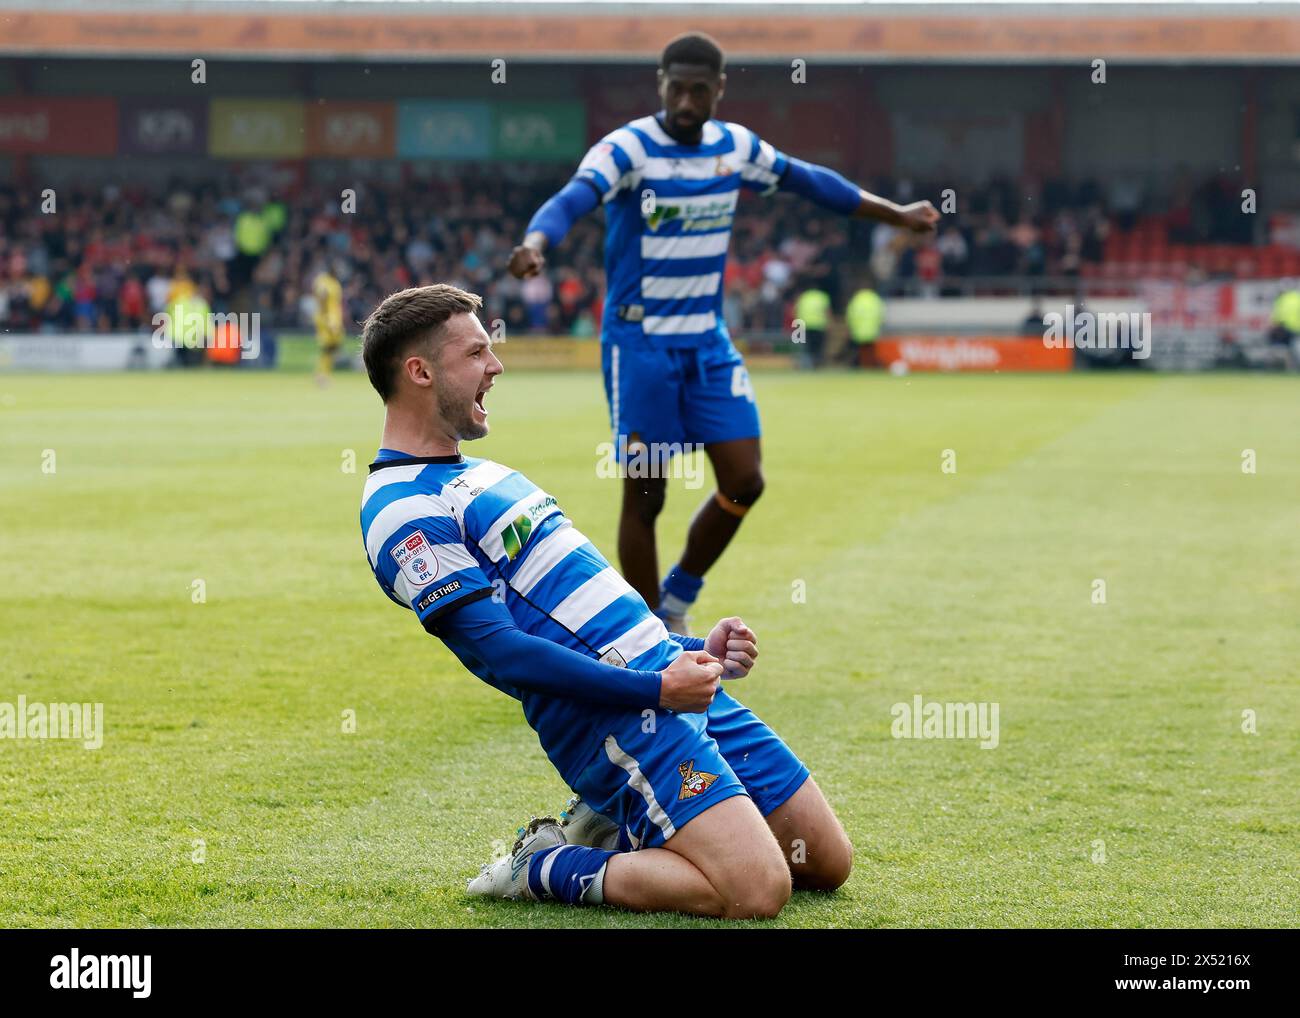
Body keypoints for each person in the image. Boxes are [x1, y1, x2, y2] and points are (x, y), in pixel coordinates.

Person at [358, 284, 852, 918]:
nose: (496, 366)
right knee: (756, 890)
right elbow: (502, 654)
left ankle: (613, 824)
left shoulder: (483, 473)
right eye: (477, 352)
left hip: (664, 674)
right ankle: (544, 864)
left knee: (823, 860)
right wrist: (656, 693)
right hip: (614, 716)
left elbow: (594, 607)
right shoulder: (401, 510)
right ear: (420, 372)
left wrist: (696, 649)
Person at [508, 31, 938, 633]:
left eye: (699, 90)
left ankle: (677, 598)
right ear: (661, 85)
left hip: (707, 341)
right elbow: (573, 198)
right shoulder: (629, 148)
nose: (686, 102)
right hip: (642, 346)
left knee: (745, 480)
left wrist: (897, 213)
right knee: (646, 497)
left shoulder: (735, 147)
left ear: (719, 90)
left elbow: (812, 182)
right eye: (676, 88)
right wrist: (535, 242)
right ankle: (647, 640)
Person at [845, 277, 885, 368]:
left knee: (859, 350)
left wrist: (850, 328)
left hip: (858, 330)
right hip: (872, 330)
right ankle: (870, 365)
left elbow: (850, 315)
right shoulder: (875, 298)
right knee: (870, 350)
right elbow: (881, 314)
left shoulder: (856, 299)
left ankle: (859, 366)